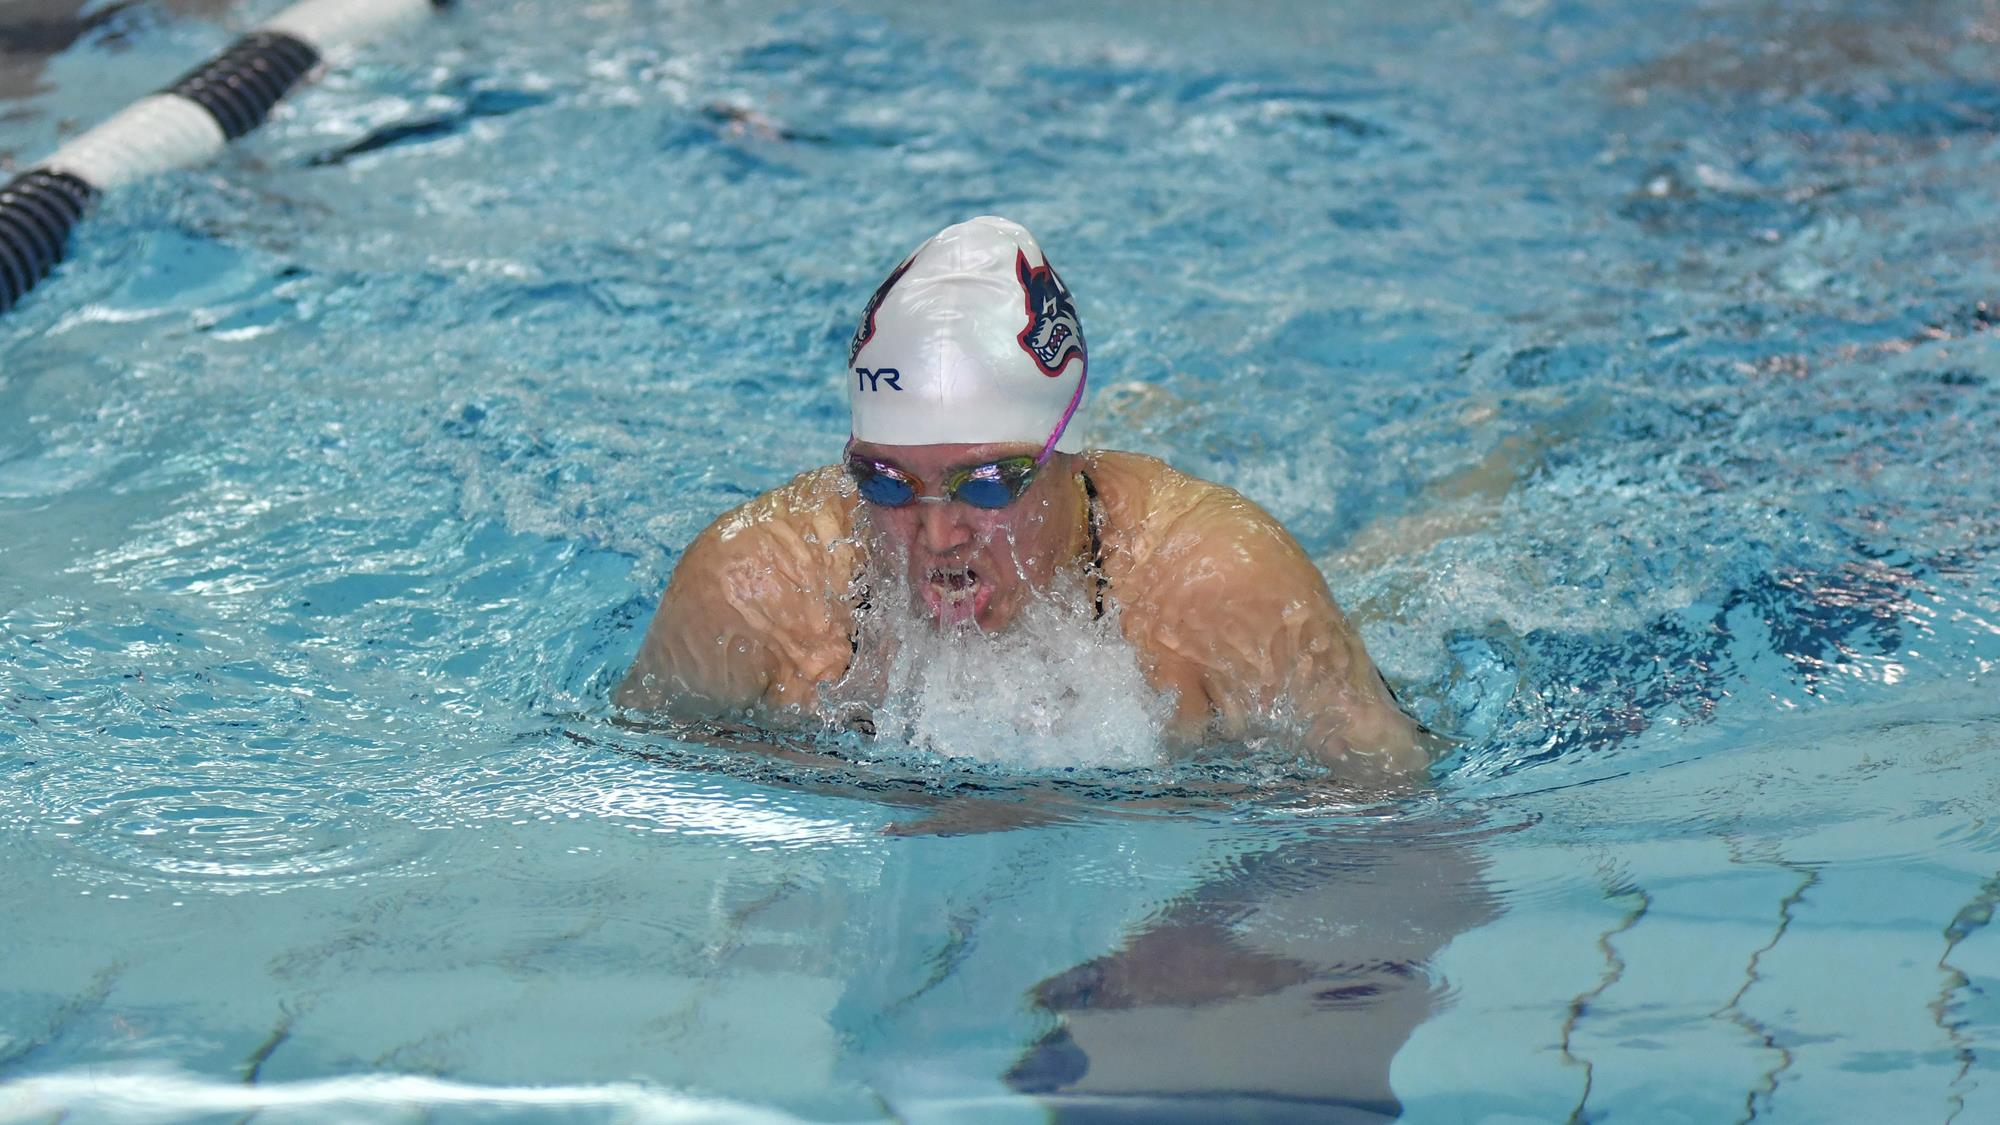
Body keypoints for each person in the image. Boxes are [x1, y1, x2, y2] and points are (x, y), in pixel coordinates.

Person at [616, 216, 1427, 787]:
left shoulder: (1219, 581)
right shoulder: (752, 591)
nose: (938, 533)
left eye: (990, 482)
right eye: (886, 483)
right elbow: (633, 806)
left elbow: (1398, 819)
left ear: (1066, 454)